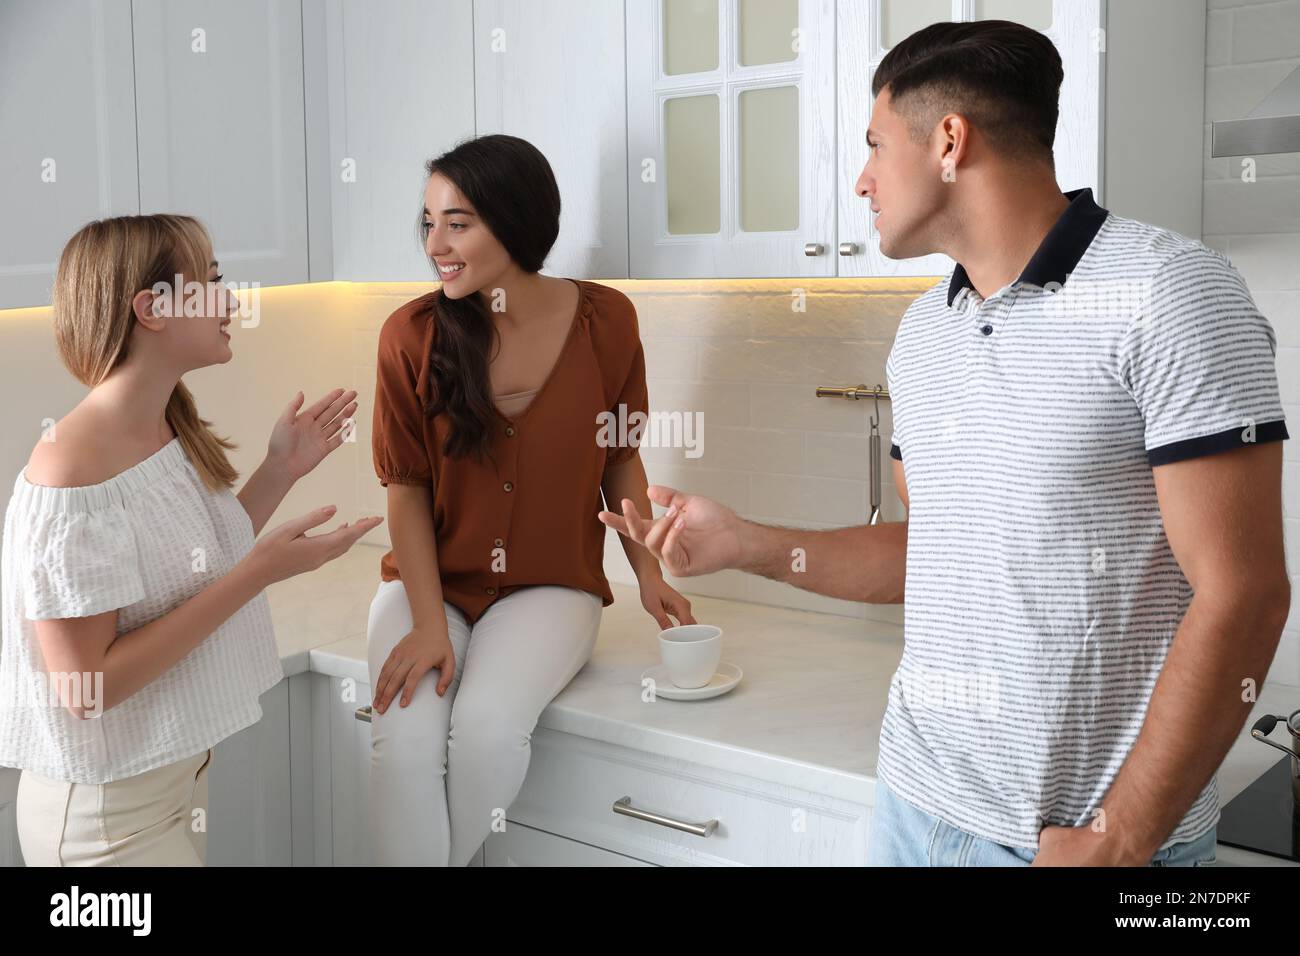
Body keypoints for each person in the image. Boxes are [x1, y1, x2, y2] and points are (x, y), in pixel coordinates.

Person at [601, 20, 1291, 867]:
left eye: (874, 146)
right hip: (913, 806)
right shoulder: (925, 332)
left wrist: (1121, 837)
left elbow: (1246, 594)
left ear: (949, 142)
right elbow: (938, 552)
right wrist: (747, 544)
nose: (859, 180)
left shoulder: (1172, 293)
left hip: (1074, 844)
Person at [1, 214, 382, 865]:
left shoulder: (161, 427)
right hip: (102, 823)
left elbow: (193, 564)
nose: (231, 301)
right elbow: (87, 686)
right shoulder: (70, 470)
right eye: (211, 280)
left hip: (170, 785)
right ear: (153, 308)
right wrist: (257, 574)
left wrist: (279, 469)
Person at [366, 134, 695, 866]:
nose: (435, 245)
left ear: (516, 222)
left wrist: (647, 571)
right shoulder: (410, 337)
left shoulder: (606, 322)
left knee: (485, 730)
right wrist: (426, 624)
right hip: (430, 584)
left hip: (550, 584)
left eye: (459, 223)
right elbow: (407, 491)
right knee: (406, 739)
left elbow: (620, 458)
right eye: (428, 222)